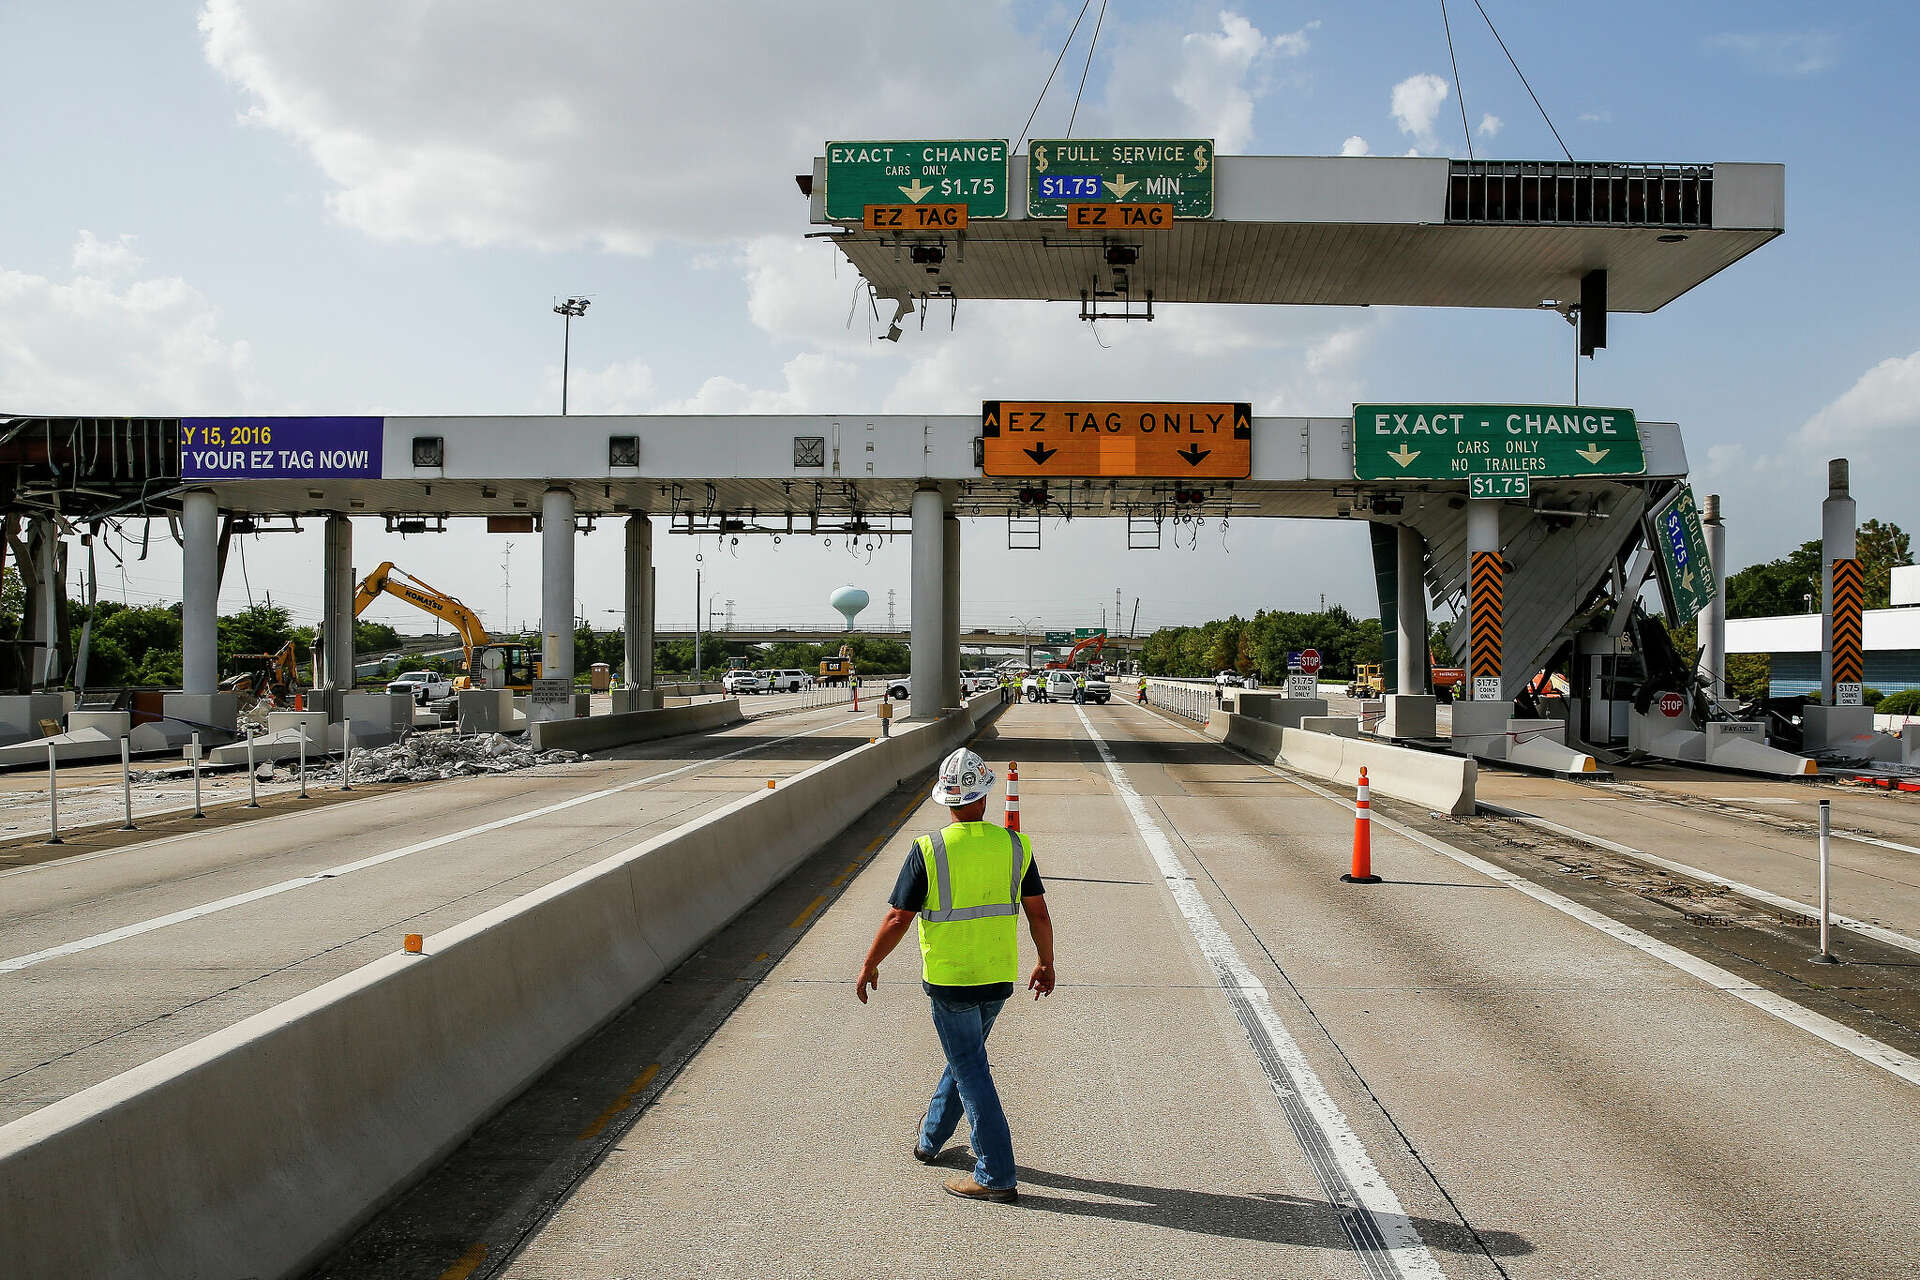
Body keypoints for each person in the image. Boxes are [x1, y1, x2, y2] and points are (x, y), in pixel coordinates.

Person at [857, 748, 1053, 1203]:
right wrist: (1045, 961)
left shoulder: (929, 848)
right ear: (984, 797)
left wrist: (870, 963)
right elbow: (1038, 912)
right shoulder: (1015, 845)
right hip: (997, 977)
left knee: (971, 1069)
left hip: (950, 981)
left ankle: (995, 1175)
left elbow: (897, 919)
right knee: (965, 1058)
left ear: (946, 800)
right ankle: (930, 1140)